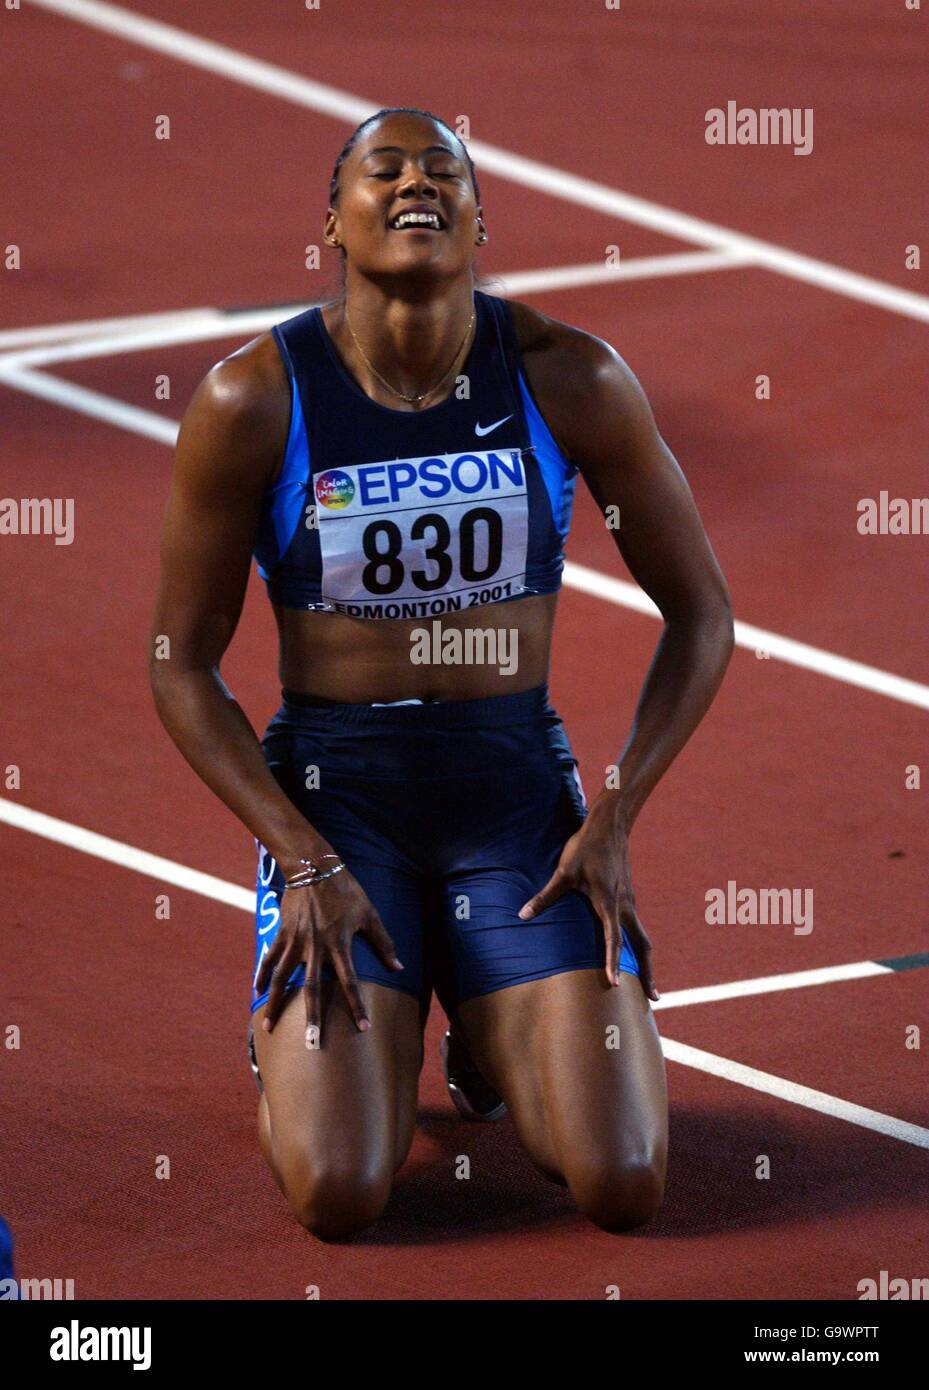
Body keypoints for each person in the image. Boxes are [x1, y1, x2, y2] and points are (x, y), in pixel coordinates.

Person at [150, 106, 734, 1240]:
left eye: (444, 171)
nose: (417, 182)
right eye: (385, 169)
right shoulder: (253, 400)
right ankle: (306, 1034)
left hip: (511, 791)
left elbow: (700, 613)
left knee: (618, 1181)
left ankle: (475, 999)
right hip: (337, 799)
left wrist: (611, 814)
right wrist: (301, 858)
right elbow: (180, 665)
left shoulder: (568, 378)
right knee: (340, 1192)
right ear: (331, 219)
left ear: (479, 219)